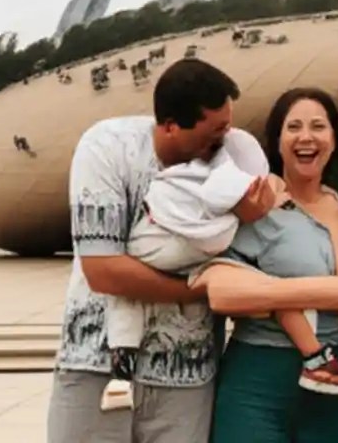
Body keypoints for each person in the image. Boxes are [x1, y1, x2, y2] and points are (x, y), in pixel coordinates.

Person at [48, 60, 338, 443]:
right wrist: (206, 288)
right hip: (97, 365)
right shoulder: (108, 147)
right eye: (216, 129)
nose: (226, 136)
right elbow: (103, 271)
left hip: (188, 375)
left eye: (228, 125)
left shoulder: (233, 166)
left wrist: (259, 284)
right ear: (170, 126)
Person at [199, 87, 338, 443]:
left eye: (318, 126)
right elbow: (222, 295)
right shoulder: (257, 205)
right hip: (255, 385)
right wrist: (325, 292)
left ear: (335, 139)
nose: (306, 136)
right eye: (293, 127)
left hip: (326, 388)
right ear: (276, 141)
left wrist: (267, 292)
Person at [100, 127, 277, 411]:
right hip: (191, 243)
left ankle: (122, 368)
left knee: (126, 293)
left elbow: (207, 193)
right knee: (128, 290)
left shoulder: (218, 168)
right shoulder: (223, 169)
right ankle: (122, 368)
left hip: (172, 240)